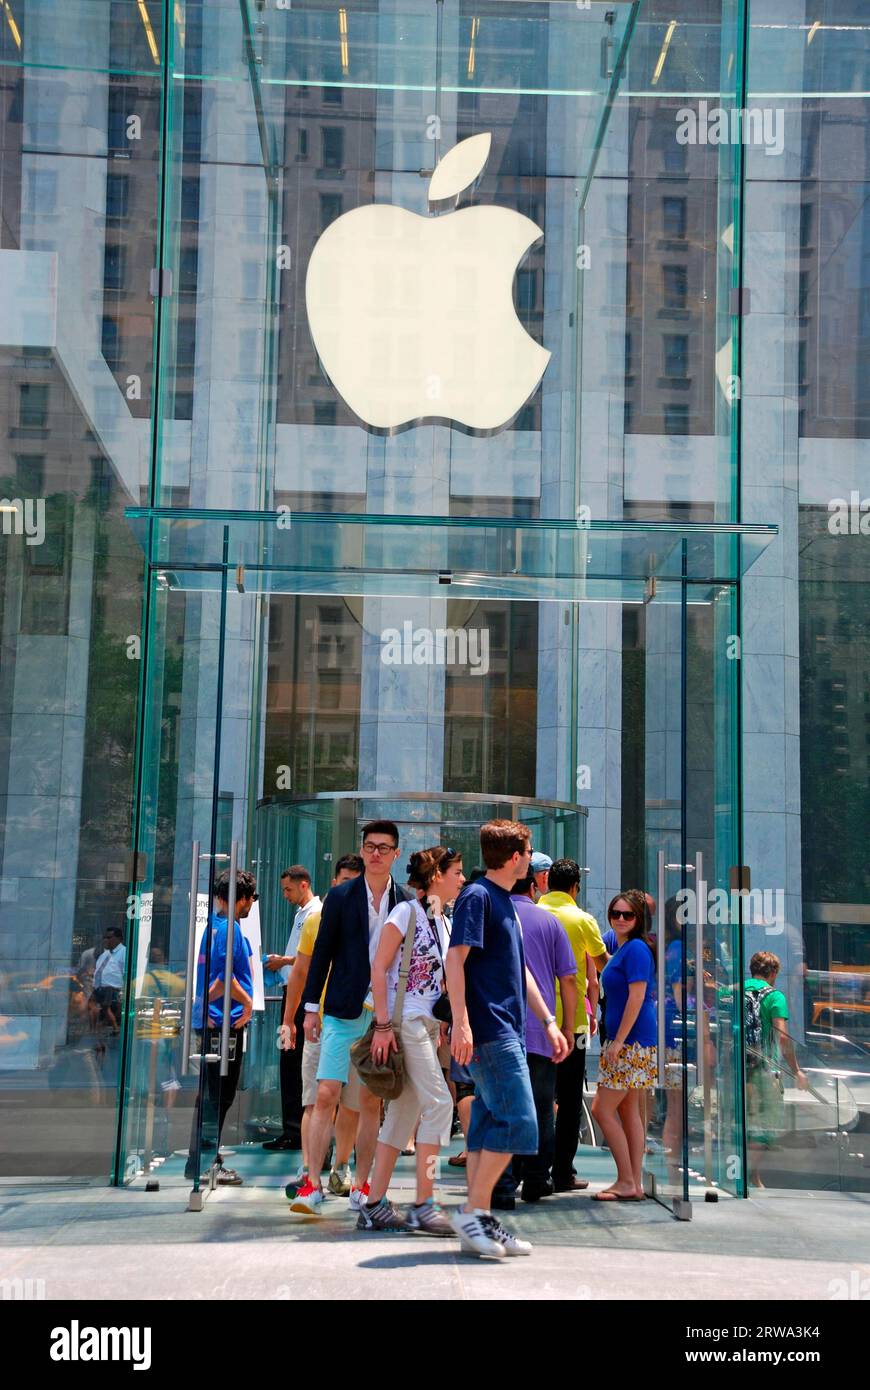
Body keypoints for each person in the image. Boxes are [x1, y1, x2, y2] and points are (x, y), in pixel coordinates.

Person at [446, 819, 569, 1259]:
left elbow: (522, 971)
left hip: (506, 1030)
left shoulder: (501, 900)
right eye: (529, 851)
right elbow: (454, 961)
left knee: (487, 1126)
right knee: (520, 1123)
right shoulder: (478, 897)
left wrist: (549, 1021)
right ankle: (473, 1214)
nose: (531, 860)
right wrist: (461, 1023)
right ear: (515, 857)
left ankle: (480, 1219)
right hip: (490, 1033)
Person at [290, 821, 414, 1215]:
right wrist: (310, 1009)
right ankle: (311, 1182)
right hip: (342, 1009)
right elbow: (321, 953)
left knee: (368, 1101)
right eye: (370, 847)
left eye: (384, 848)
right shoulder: (340, 897)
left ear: (396, 853)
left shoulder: (406, 901)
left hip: (384, 1015)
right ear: (362, 851)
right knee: (326, 1093)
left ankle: (362, 1186)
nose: (376, 854)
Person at [358, 846, 465, 1234]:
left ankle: (374, 1204)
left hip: (427, 1023)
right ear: (436, 875)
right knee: (439, 1104)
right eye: (456, 872)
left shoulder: (440, 919)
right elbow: (379, 966)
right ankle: (425, 1202)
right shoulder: (405, 912)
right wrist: (383, 1025)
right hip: (406, 1022)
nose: (462, 879)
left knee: (404, 1114)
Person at [280, 854, 364, 1196]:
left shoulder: (373, 919)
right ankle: (308, 1170)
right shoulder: (318, 917)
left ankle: (341, 1166)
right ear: (333, 881)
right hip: (321, 1021)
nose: (348, 887)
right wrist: (290, 1020)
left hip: (359, 1020)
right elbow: (299, 973)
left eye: (353, 881)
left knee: (353, 1103)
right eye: (343, 880)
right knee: (315, 1100)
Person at [507, 869, 577, 1203]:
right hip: (540, 1029)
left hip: (500, 1026)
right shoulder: (550, 922)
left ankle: (503, 1179)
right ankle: (537, 1178)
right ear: (534, 888)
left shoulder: (496, 916)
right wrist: (565, 1027)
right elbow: (568, 979)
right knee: (542, 1107)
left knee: (501, 1105)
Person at [538, 860, 608, 1191]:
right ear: (575, 886)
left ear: (546, 881)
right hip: (573, 1024)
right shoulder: (582, 920)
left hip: (533, 1021)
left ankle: (531, 1167)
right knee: (568, 1101)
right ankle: (562, 1172)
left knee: (537, 1097)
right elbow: (602, 962)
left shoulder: (531, 913)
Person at [184, 870, 256, 1186]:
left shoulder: (214, 928)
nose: (252, 904)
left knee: (214, 1096)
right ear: (240, 898)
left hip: (216, 1022)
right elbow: (220, 979)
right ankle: (204, 1162)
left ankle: (201, 1161)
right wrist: (248, 1002)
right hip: (222, 1024)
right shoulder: (227, 929)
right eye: (250, 898)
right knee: (218, 1097)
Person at [591, 890, 656, 1201]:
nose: (619, 919)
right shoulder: (626, 949)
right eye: (615, 913)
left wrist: (618, 1041)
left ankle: (627, 1181)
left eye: (627, 915)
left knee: (601, 1109)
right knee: (629, 1110)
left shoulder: (637, 950)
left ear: (639, 919)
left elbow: (637, 997)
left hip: (630, 1043)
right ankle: (633, 1182)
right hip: (629, 1041)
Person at [263, 866, 322, 1151]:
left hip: (300, 1002)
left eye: (288, 889)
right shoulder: (302, 913)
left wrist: (282, 962)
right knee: (289, 1061)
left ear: (304, 885)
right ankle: (293, 1128)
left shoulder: (314, 913)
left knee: (295, 1062)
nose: (285, 895)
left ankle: (296, 1131)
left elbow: (305, 961)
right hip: (292, 997)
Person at [745, 949, 808, 1188]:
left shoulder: (733, 990)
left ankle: (744, 1174)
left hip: (734, 1068)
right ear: (773, 973)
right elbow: (782, 1036)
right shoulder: (775, 997)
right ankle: (752, 1176)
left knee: (740, 1120)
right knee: (764, 1124)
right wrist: (797, 1070)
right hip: (763, 1069)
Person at [92, 927, 127, 1034]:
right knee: (89, 1006)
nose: (106, 940)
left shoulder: (124, 952)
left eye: (109, 937)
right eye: (104, 937)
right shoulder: (104, 954)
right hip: (99, 989)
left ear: (119, 939)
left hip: (114, 991)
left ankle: (114, 1027)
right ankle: (96, 1028)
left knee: (106, 1009)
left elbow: (126, 974)